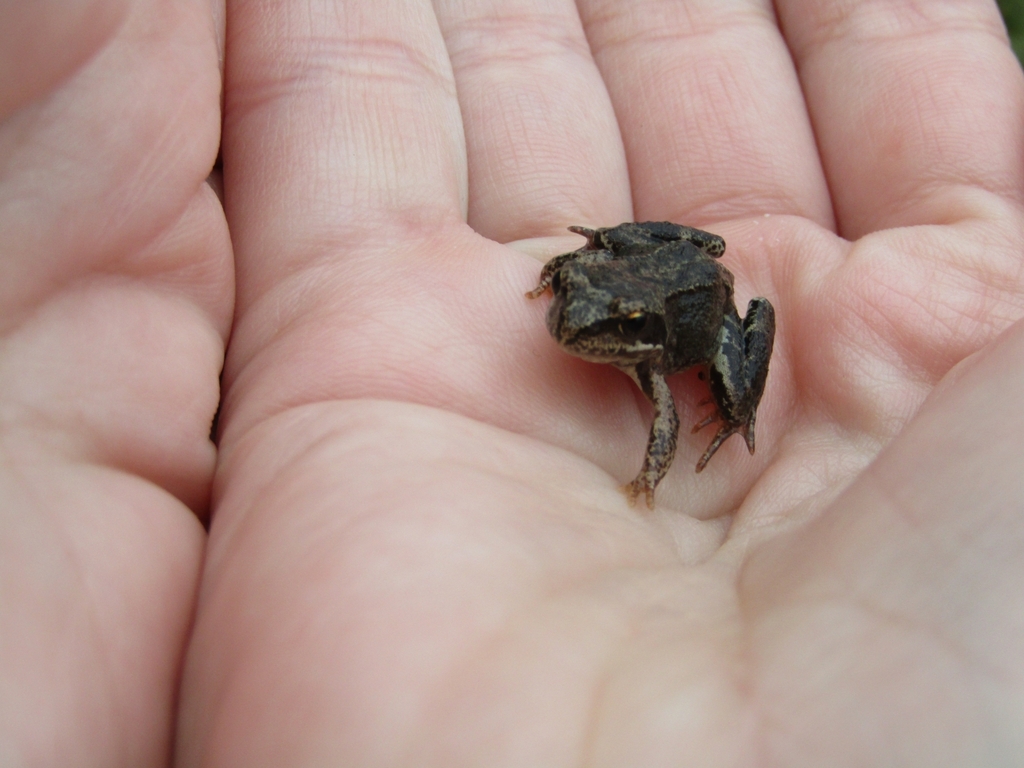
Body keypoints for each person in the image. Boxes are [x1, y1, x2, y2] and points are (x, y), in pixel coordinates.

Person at [3, 0, 1023, 764]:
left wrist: (649, 479)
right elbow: (588, 277)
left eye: (602, 326)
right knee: (610, 262)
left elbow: (659, 421)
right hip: (664, 264)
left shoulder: (653, 363)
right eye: (578, 302)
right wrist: (575, 267)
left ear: (628, 339)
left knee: (728, 376)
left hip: (702, 309)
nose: (579, 326)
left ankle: (745, 411)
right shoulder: (591, 295)